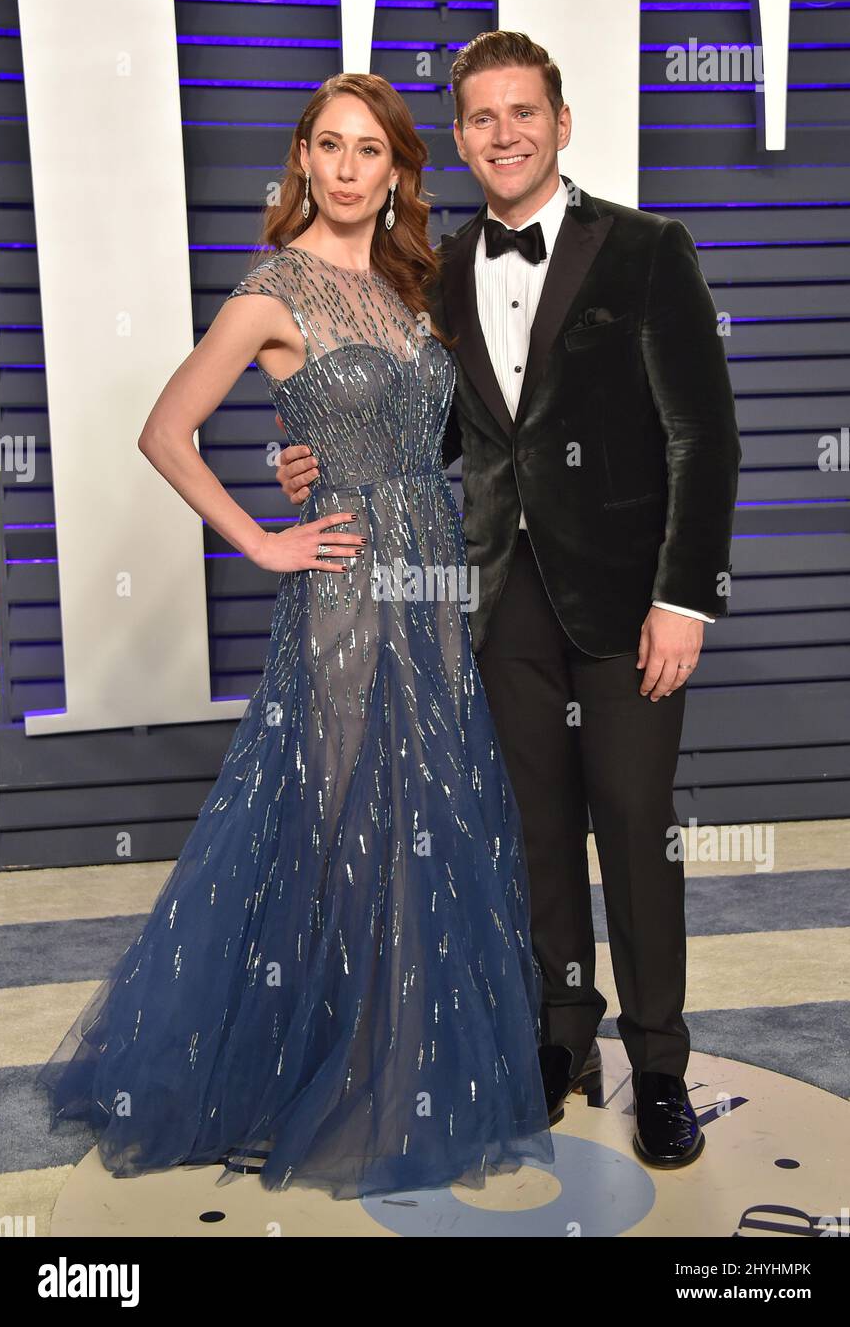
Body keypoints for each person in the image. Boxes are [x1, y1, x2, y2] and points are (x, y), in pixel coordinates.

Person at [36, 71, 555, 1201]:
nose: (351, 167)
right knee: (350, 826)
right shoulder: (275, 291)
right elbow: (165, 429)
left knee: (439, 817)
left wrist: (303, 450)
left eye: (373, 149)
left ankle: (414, 1064)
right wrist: (263, 536)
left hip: (432, 587)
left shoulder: (418, 284)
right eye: (332, 146)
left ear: (399, 168)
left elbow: (443, 433)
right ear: (305, 161)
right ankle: (349, 1077)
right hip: (349, 592)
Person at [277, 33, 742, 1169]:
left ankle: (663, 1064)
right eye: (480, 118)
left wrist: (686, 598)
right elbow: (432, 430)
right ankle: (561, 1036)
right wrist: (322, 464)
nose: (503, 134)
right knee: (534, 831)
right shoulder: (435, 272)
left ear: (561, 122)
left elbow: (704, 435)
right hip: (498, 600)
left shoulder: (644, 249)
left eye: (522, 113)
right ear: (462, 136)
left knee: (634, 823)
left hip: (632, 599)